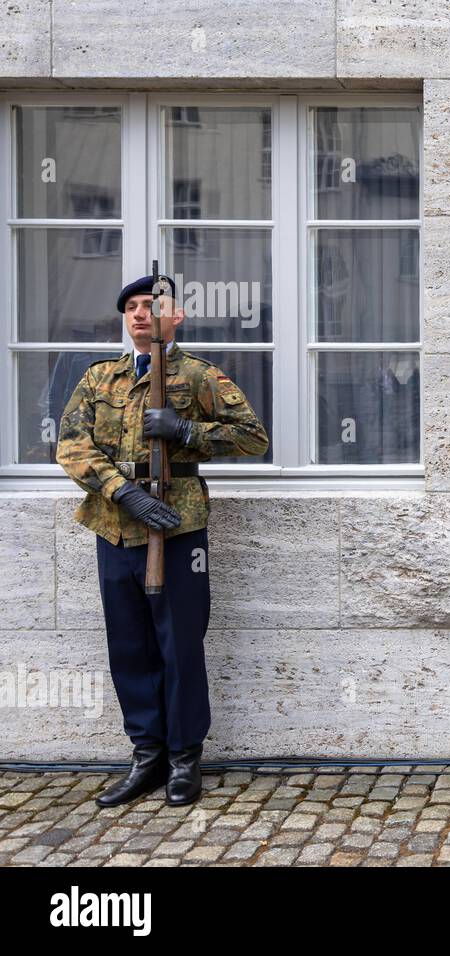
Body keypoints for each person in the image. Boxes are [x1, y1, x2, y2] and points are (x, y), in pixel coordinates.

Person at [56, 274, 269, 808]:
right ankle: (146, 755)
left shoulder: (198, 375)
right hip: (116, 525)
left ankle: (183, 758)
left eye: (151, 306)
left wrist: (186, 431)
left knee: (180, 646)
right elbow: (71, 446)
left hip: (178, 527)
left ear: (176, 318)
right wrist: (122, 493)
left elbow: (252, 436)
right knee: (129, 646)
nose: (139, 315)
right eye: (130, 307)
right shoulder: (100, 378)